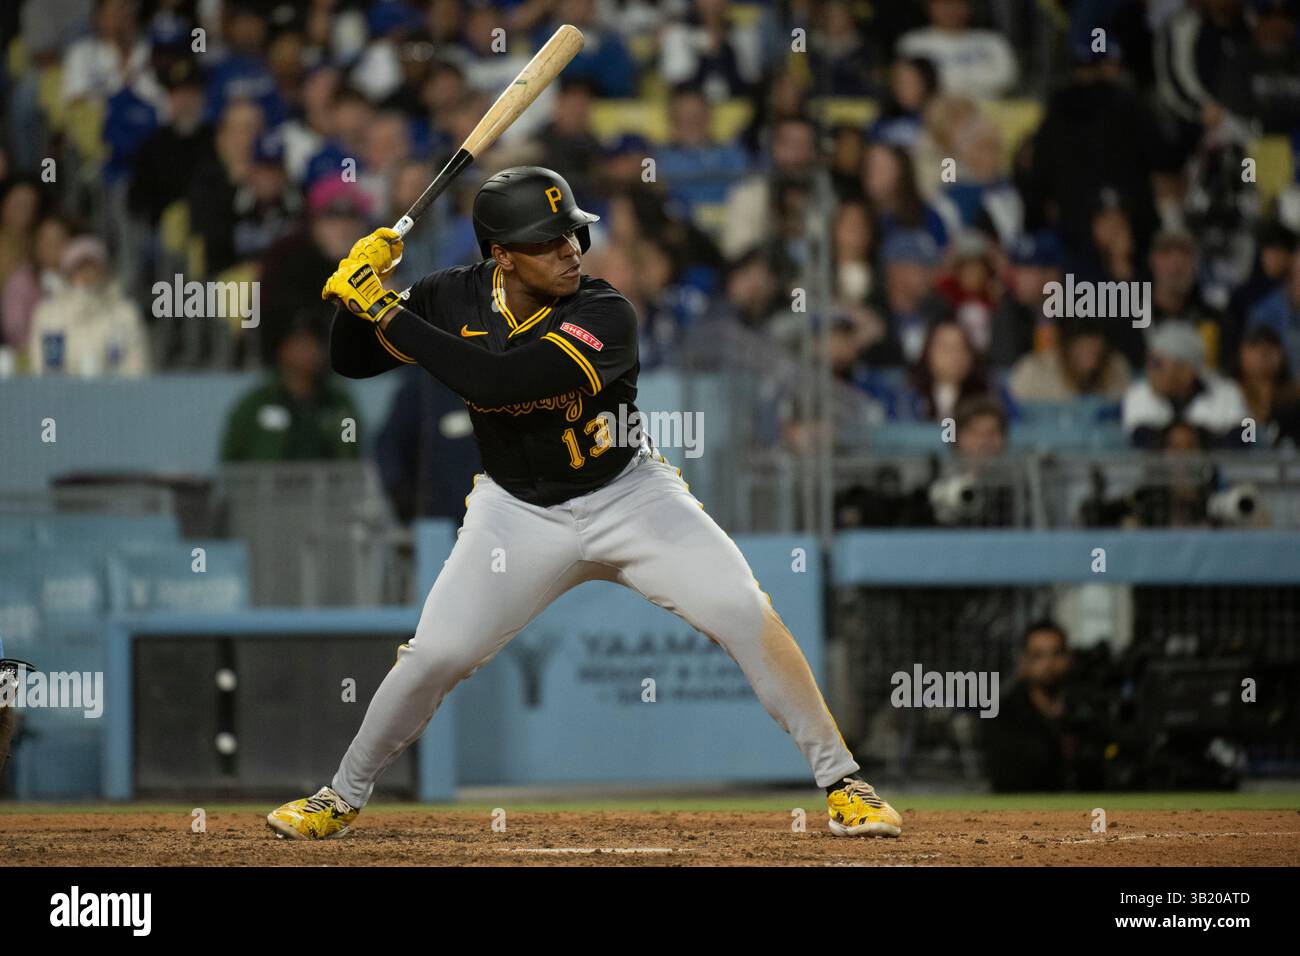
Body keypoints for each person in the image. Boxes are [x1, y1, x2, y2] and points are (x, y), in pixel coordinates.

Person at [266, 166, 901, 840]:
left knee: (742, 609)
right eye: (548, 242)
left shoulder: (604, 310)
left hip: (630, 495)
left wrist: (385, 305)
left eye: (573, 234)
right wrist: (352, 295)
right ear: (501, 256)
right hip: (516, 510)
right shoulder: (451, 297)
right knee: (434, 656)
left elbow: (502, 382)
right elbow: (353, 361)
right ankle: (339, 795)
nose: (571, 250)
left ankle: (844, 783)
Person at [982, 620, 1107, 792]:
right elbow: (1007, 778)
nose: (1049, 664)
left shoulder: (1089, 709)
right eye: (1038, 656)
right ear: (1024, 661)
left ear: (1069, 658)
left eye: (1056, 654)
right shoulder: (1005, 715)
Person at [219, 314, 360, 463]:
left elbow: (353, 460)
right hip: (268, 485)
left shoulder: (339, 404)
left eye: (317, 342)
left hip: (324, 485)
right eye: (303, 342)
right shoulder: (255, 405)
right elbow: (229, 464)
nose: (313, 350)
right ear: (283, 348)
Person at [25, 236, 150, 377]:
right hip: (61, 396)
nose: (87, 275)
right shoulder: (47, 313)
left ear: (105, 272)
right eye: (80, 268)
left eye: (93, 267)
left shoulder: (125, 313)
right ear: (67, 274)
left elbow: (137, 369)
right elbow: (41, 367)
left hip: (114, 396)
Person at [1121, 320, 1249, 447]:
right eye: (1149, 363)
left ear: (1187, 371)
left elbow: (1243, 438)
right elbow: (1141, 441)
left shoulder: (1228, 392)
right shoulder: (1138, 393)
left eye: (1157, 364)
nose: (1149, 370)